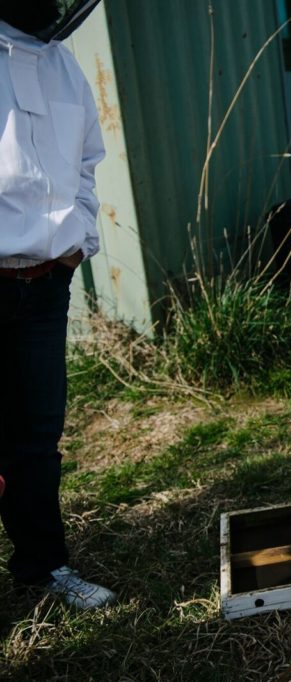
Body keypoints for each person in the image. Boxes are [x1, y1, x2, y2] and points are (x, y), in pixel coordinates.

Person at [0, 1, 115, 609]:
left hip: (46, 283)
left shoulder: (63, 64)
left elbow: (88, 162)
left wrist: (78, 245)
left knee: (37, 438)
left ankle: (42, 568)